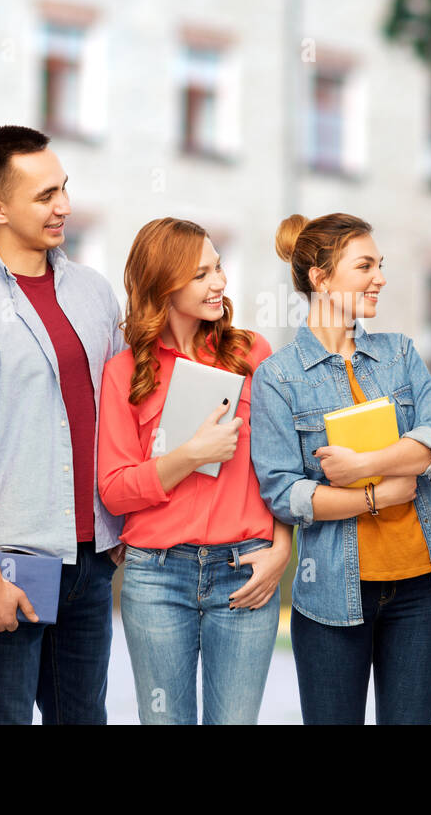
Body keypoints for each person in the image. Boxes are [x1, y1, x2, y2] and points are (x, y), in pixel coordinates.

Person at [0, 125, 125, 725]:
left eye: (63, 188)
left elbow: (122, 417)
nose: (63, 205)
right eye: (44, 195)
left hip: (92, 557)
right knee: (0, 716)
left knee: (82, 716)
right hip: (13, 559)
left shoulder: (94, 292)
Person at [250, 212, 431, 725]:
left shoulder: (400, 353)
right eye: (365, 265)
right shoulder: (277, 377)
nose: (380, 278)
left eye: (380, 265)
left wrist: (364, 464)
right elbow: (286, 494)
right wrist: (377, 495)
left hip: (421, 592)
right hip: (330, 596)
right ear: (321, 278)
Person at [97, 218, 292, 724]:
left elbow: (282, 466)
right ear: (164, 283)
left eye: (219, 267)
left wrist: (282, 549)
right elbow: (115, 491)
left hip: (245, 570)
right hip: (157, 577)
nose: (220, 283)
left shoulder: (251, 354)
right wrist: (190, 453)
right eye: (202, 274)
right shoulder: (124, 372)